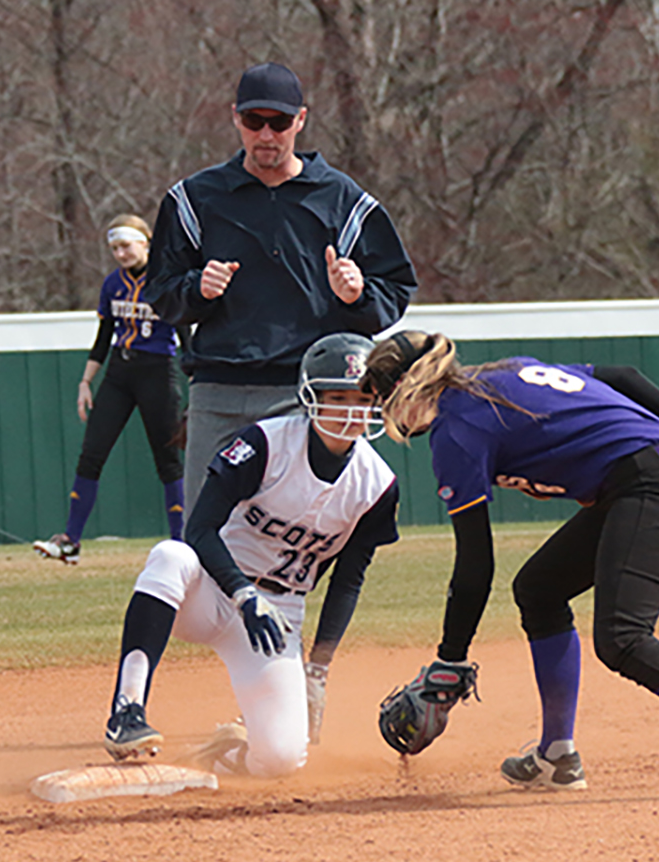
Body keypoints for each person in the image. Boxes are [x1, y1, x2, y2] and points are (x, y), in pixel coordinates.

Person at [360, 330, 659, 800]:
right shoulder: (502, 373)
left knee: (624, 639)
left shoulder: (458, 432)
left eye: (380, 398)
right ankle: (557, 755)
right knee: (539, 589)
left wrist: (450, 658)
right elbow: (622, 376)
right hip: (644, 478)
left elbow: (475, 562)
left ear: (403, 390)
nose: (381, 413)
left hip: (655, 485)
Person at [101, 333, 399, 778]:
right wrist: (242, 593)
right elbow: (199, 529)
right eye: (337, 396)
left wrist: (317, 669)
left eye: (362, 398)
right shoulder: (265, 443)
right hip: (212, 590)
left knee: (282, 759)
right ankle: (127, 712)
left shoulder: (377, 484)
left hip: (277, 618)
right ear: (310, 396)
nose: (351, 409)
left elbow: (348, 580)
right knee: (169, 555)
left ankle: (224, 755)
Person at [144, 60, 416, 510]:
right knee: (204, 533)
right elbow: (161, 292)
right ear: (235, 117)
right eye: (254, 121)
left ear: (301, 120)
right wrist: (198, 289)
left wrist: (357, 295)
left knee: (298, 529)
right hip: (218, 392)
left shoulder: (344, 200)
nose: (266, 135)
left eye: (280, 122)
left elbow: (396, 290)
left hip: (307, 393)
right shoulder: (193, 199)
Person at [34, 212, 187, 564]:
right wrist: (85, 382)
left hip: (158, 372)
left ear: (146, 243)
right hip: (120, 371)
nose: (121, 253)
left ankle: (182, 544)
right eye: (115, 247)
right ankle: (70, 540)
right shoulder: (112, 284)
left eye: (127, 245)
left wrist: (195, 381)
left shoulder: (167, 280)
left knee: (168, 462)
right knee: (91, 454)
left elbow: (187, 336)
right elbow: (103, 338)